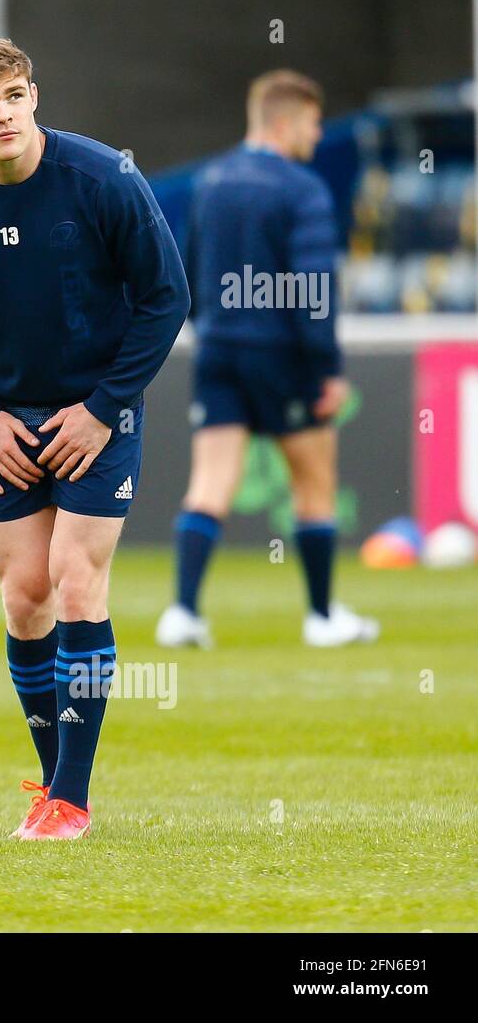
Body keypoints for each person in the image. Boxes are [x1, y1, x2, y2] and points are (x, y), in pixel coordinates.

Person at [0, 38, 189, 840]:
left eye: (16, 95)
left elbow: (168, 297)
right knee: (25, 595)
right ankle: (53, 784)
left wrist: (103, 406)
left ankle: (71, 800)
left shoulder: (102, 178)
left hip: (100, 412)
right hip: (7, 420)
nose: (5, 113)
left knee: (76, 581)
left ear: (34, 97)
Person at [155, 70, 379, 650]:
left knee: (209, 484)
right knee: (315, 483)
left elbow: (186, 272)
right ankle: (323, 616)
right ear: (284, 122)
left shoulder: (211, 180)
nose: (318, 131)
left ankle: (183, 611)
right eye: (311, 120)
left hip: (219, 351)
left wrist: (212, 330)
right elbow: (313, 287)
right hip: (283, 356)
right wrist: (326, 368)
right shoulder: (302, 189)